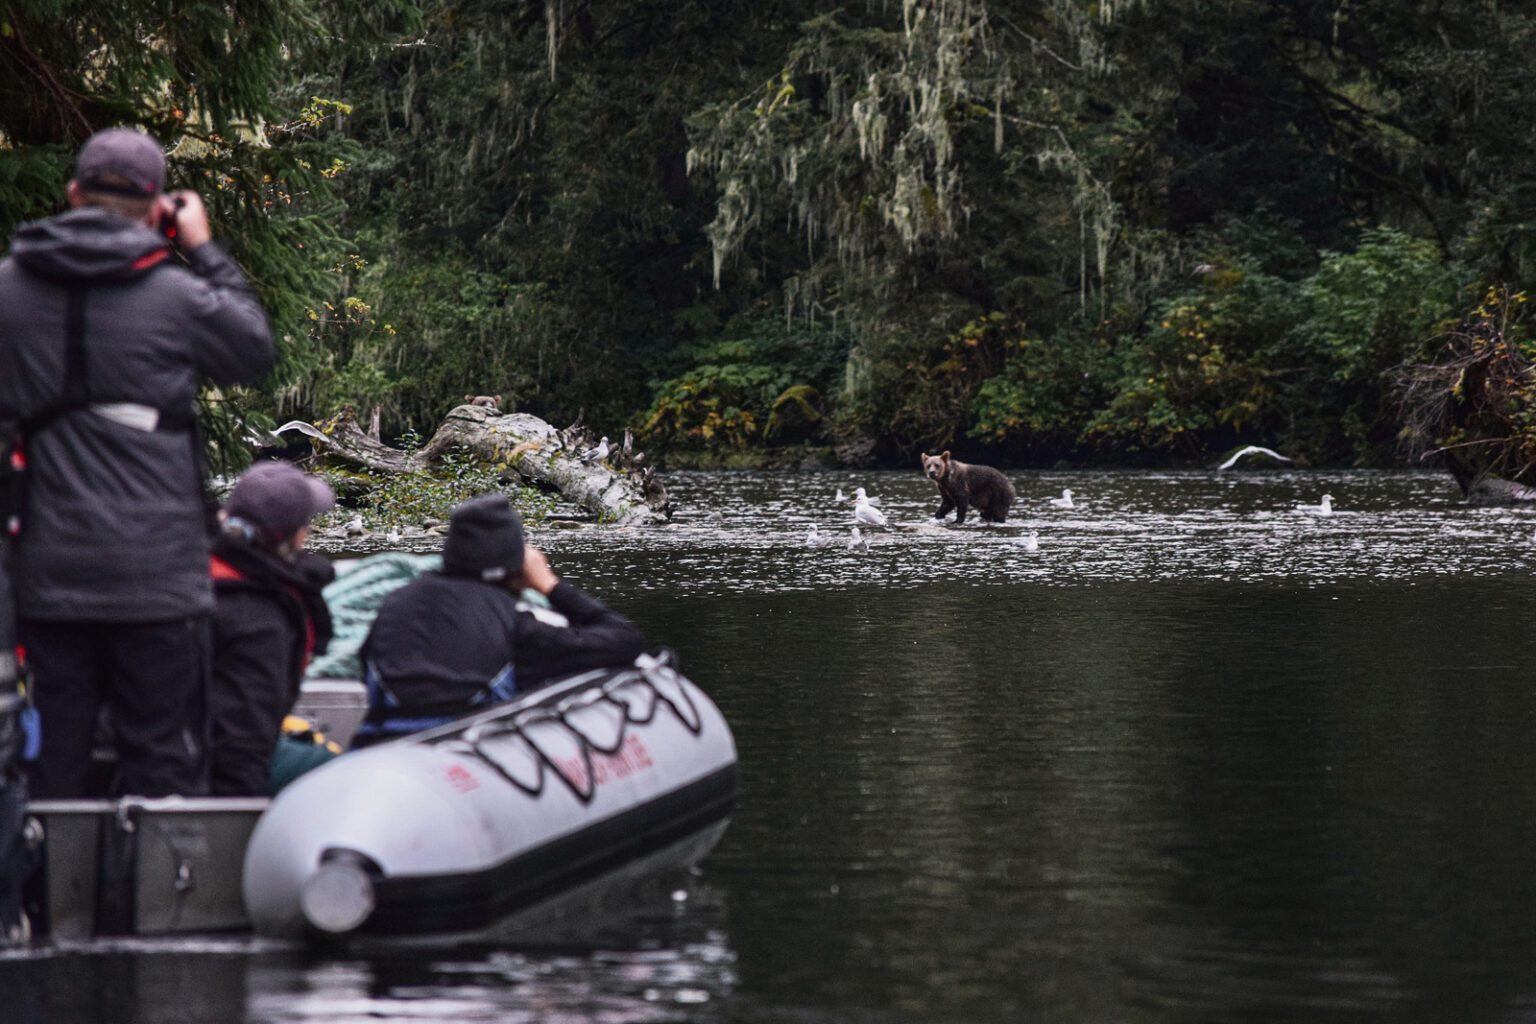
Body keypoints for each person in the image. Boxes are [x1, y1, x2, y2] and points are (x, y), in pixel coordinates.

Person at [0, 127, 275, 797]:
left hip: (46, 577)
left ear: (73, 195)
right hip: (158, 580)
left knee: (51, 764)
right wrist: (202, 248)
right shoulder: (177, 297)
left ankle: (44, 868)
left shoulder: (8, 291)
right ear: (158, 211)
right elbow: (253, 351)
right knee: (164, 764)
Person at [353, 494, 645, 746]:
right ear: (519, 566)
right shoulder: (513, 623)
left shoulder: (395, 604)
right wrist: (550, 585)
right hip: (465, 750)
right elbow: (624, 639)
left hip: (383, 751)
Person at [209, 462, 336, 796]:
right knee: (343, 770)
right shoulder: (259, 616)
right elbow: (242, 736)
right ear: (295, 536)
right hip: (219, 773)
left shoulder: (204, 575)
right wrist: (238, 816)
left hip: (188, 752)